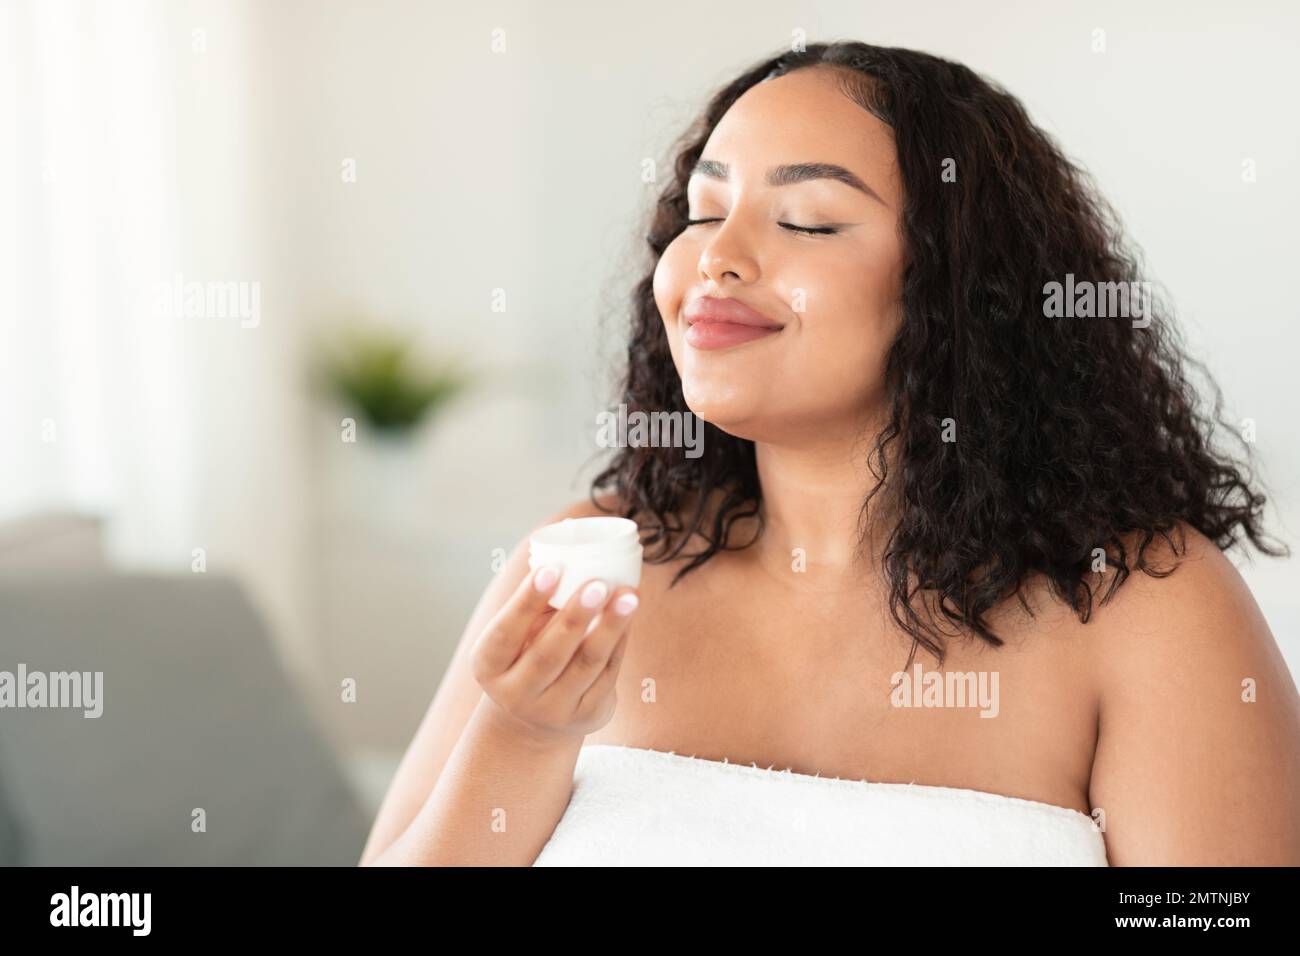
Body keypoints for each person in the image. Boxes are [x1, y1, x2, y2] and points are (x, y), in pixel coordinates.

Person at [360, 41, 1300, 866]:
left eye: (807, 219)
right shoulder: (586, 573)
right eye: (703, 211)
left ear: (963, 292)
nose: (716, 257)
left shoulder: (1145, 606)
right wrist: (521, 734)